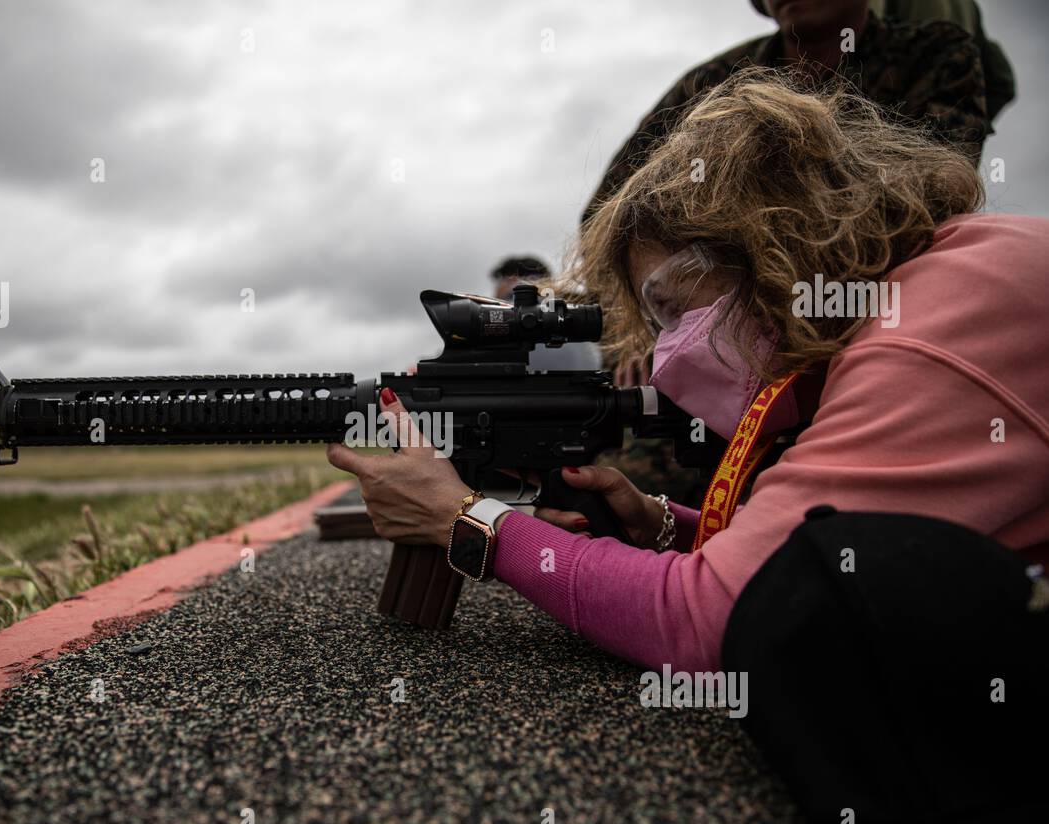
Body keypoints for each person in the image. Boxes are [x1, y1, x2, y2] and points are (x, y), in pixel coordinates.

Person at [326, 69, 1049, 672]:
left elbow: (716, 622)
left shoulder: (914, 344)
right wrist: (669, 527)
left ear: (771, 241)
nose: (668, 347)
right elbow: (815, 556)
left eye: (672, 304)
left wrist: (469, 519)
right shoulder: (935, 290)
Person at [582, 0, 1000, 224]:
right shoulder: (711, 82)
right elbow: (612, 208)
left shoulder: (932, 55)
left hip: (891, 299)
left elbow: (935, 194)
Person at [489, 256, 603, 372]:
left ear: (511, 279)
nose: (495, 291)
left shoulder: (506, 320)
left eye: (498, 283)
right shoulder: (577, 320)